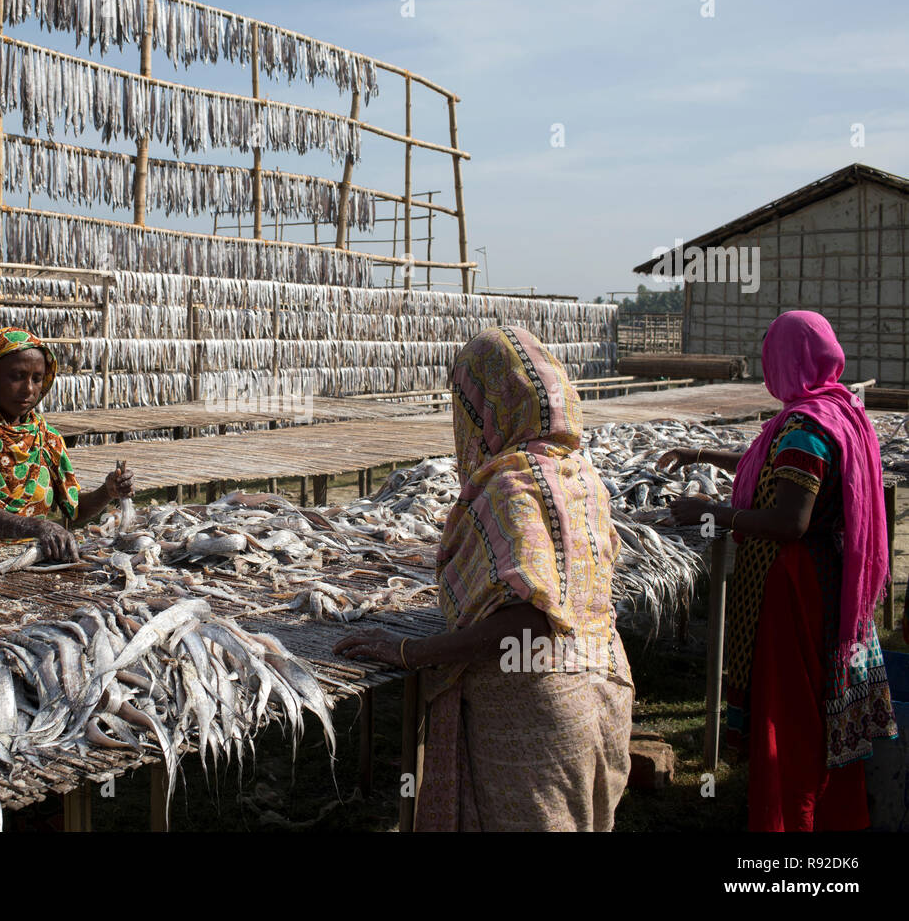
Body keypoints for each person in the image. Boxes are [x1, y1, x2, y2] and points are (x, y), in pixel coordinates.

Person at [335, 326, 633, 831]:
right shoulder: (580, 474)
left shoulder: (509, 487)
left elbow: (531, 622)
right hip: (602, 697)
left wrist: (410, 652)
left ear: (482, 409)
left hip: (533, 721)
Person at [661, 310, 897, 831]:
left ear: (788, 360)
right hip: (828, 577)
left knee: (789, 713)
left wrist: (715, 513)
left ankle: (790, 826)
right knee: (819, 706)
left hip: (795, 587)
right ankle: (836, 820)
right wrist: (701, 451)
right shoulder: (838, 411)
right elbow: (772, 464)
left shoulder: (806, 427)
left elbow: (791, 520)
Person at [0, 327, 134, 560]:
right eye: (17, 376)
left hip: (34, 561)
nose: (29, 389)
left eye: (37, 379)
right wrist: (38, 527)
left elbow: (75, 510)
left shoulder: (46, 439)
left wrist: (107, 491)